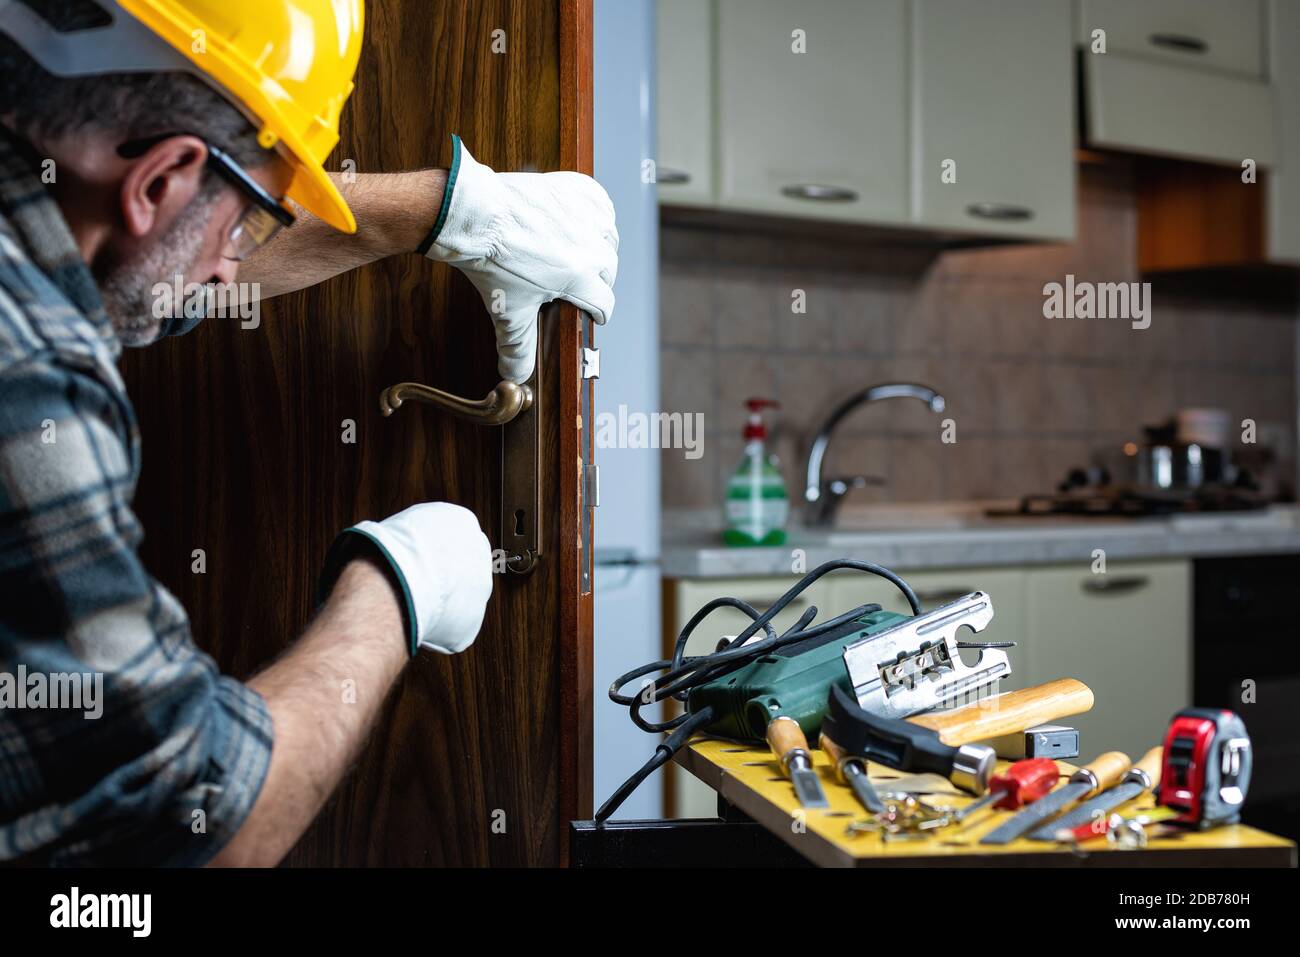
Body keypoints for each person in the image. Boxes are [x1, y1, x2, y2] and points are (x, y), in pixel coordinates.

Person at [0, 0, 617, 865]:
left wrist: (438, 211)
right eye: (257, 216)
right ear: (156, 180)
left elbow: (161, 263)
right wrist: (396, 585)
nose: (231, 267)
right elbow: (195, 820)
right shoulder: (31, 379)